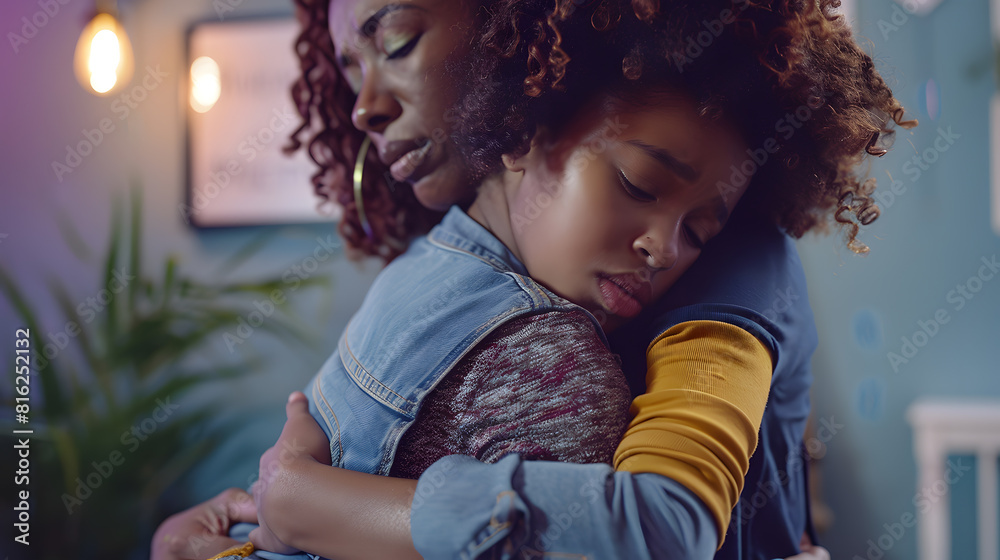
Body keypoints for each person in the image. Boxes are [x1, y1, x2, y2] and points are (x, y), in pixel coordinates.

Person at [150, 0, 914, 559]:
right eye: (351, 70)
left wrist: (313, 505)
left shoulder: (708, 280)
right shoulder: (475, 281)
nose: (364, 111)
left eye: (401, 41)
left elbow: (661, 521)